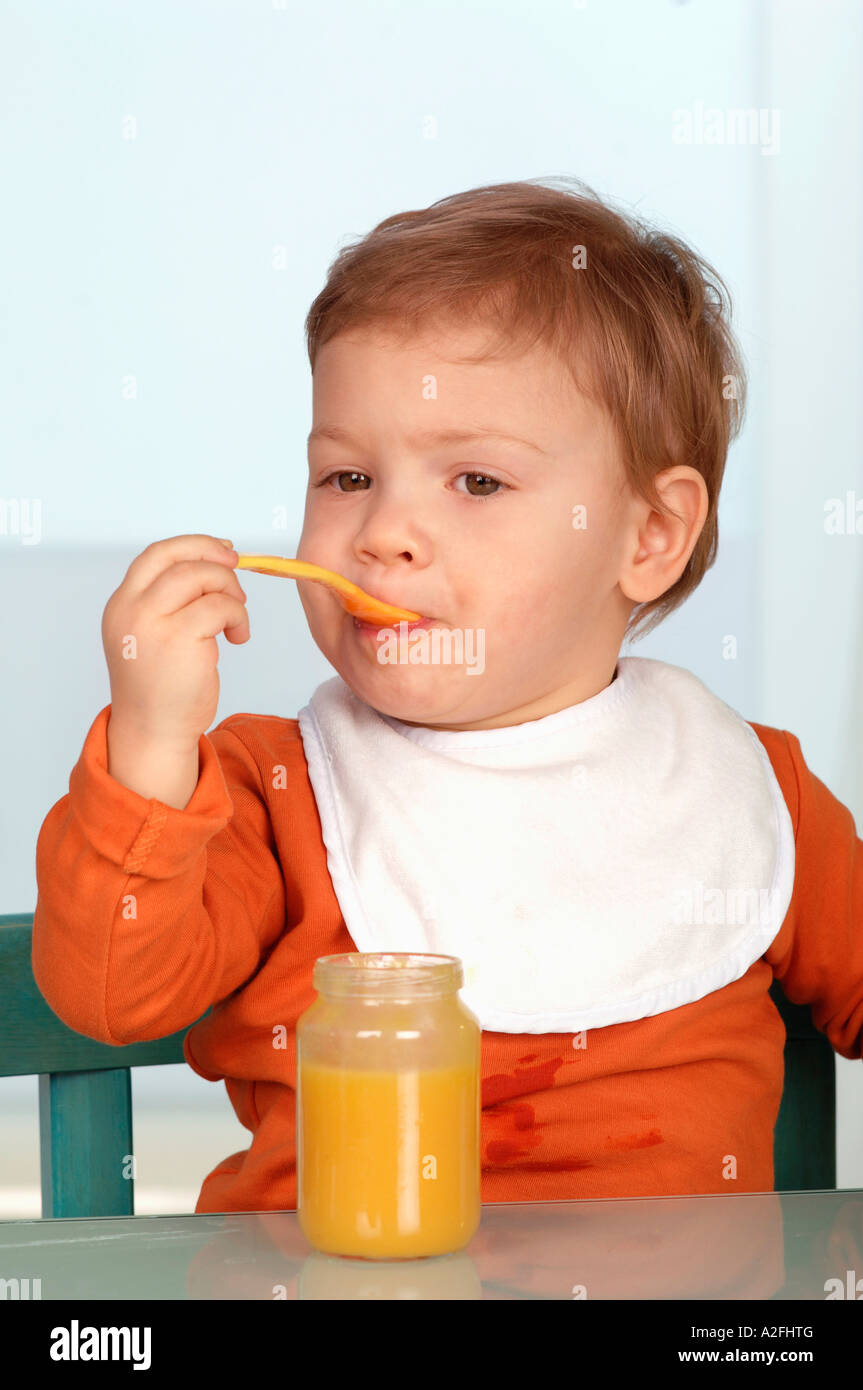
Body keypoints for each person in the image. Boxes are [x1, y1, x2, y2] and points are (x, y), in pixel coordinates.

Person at [32, 178, 863, 1214]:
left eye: (474, 482)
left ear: (647, 535)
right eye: (346, 479)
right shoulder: (274, 790)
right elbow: (113, 994)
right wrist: (153, 739)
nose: (382, 532)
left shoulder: (747, 788)